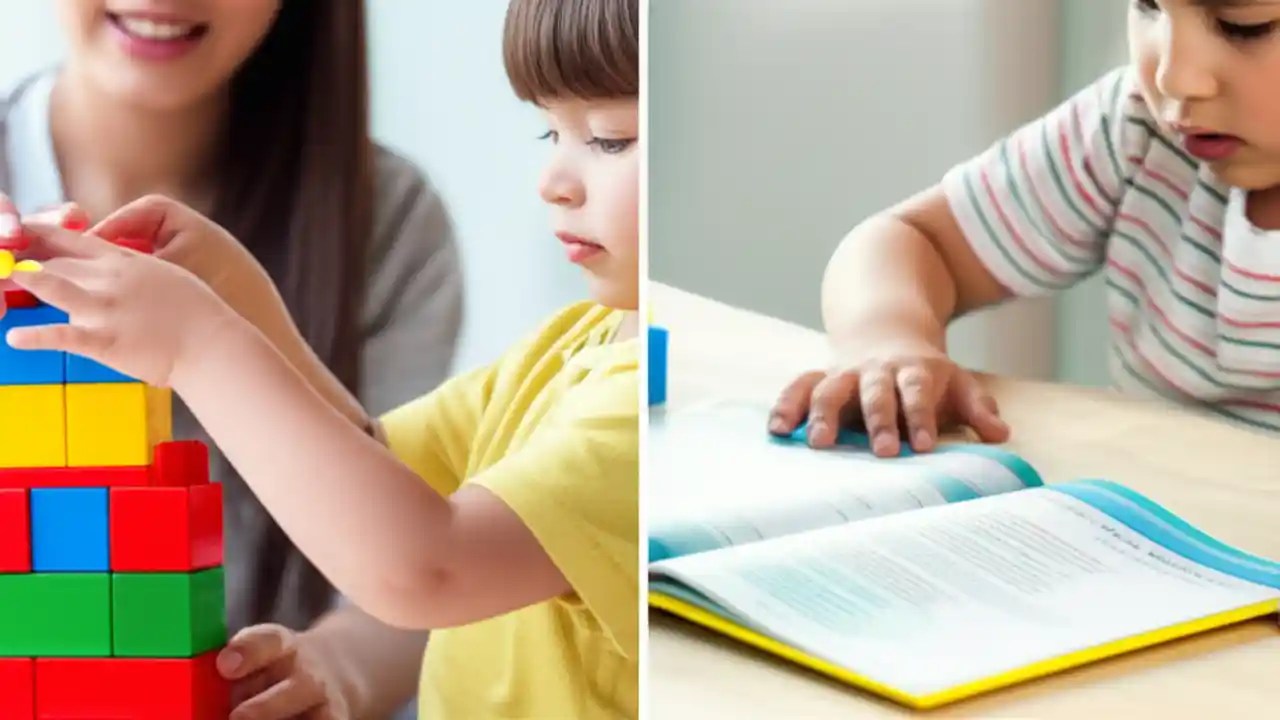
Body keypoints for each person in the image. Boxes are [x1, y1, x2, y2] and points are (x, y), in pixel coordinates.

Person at [9, 0, 640, 717]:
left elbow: (423, 567)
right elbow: (383, 466)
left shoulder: (643, 409)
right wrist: (239, 302)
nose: (551, 180)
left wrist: (202, 343)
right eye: (550, 131)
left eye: (612, 140)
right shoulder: (566, 347)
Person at [769, 0, 1280, 455]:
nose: (1174, 77)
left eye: (1244, 26)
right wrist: (888, 342)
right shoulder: (1139, 128)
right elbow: (913, 240)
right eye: (1148, 6)